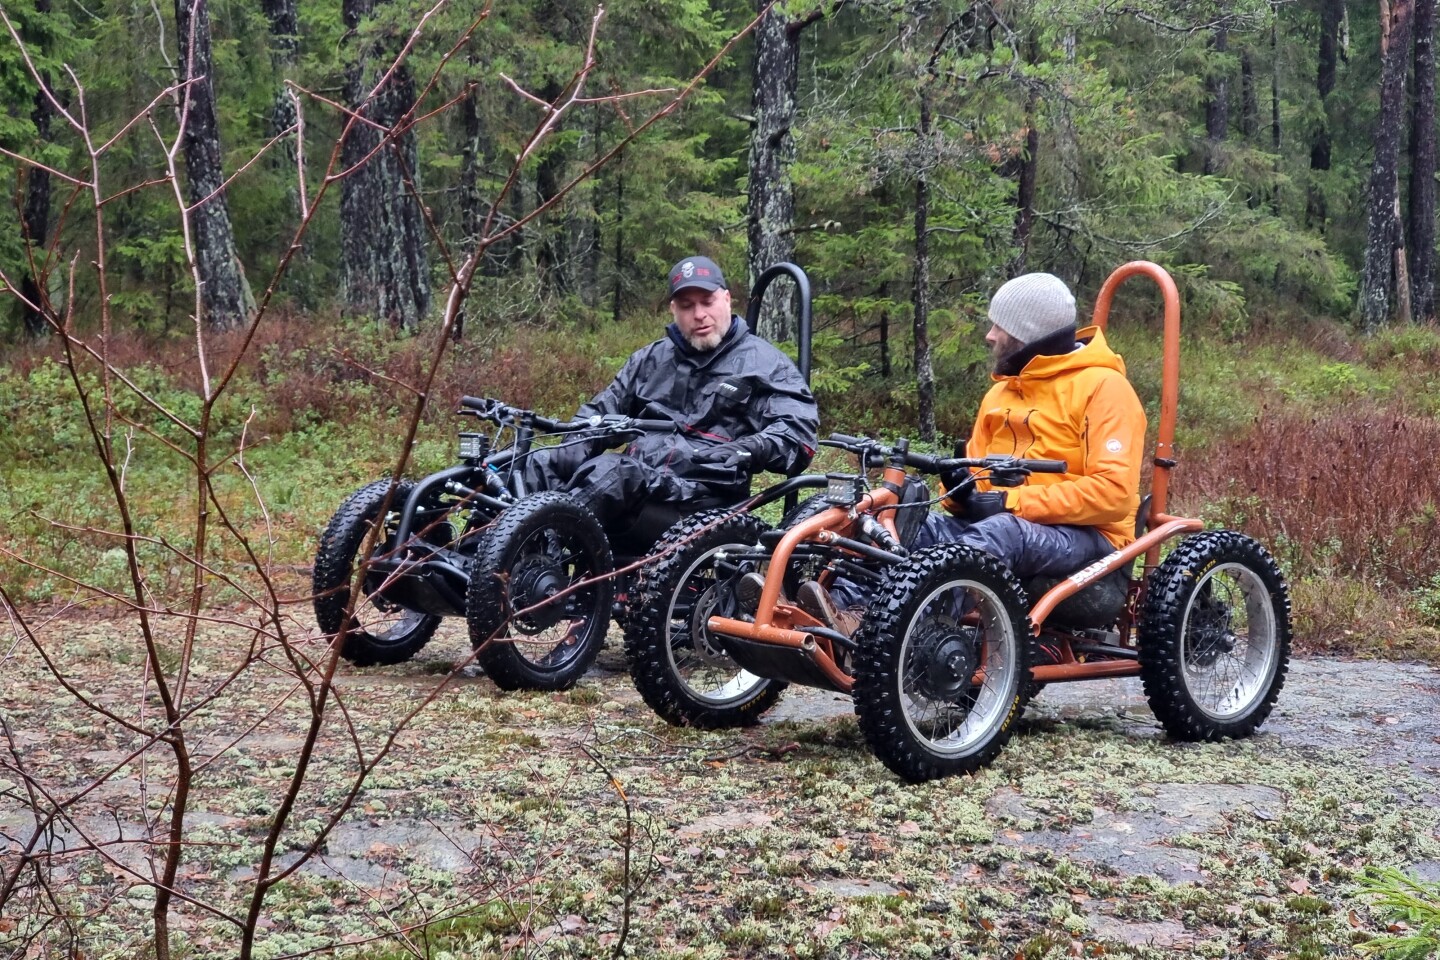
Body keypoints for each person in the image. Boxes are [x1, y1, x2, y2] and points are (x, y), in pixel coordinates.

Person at [797, 272, 1147, 635]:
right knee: (898, 518)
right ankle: (842, 614)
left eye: (1000, 327)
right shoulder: (1001, 393)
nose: (990, 335)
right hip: (1006, 521)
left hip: (1089, 537)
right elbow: (979, 485)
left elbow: (1114, 494)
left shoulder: (1106, 390)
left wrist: (1010, 502)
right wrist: (962, 491)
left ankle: (911, 633)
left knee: (1000, 533)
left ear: (1029, 334)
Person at [520, 255, 819, 532]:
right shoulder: (651, 359)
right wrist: (576, 443)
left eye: (707, 301)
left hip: (702, 496)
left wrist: (748, 448)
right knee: (537, 463)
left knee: (610, 473)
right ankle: (482, 564)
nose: (699, 314)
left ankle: (544, 547)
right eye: (687, 306)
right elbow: (601, 409)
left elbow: (799, 435)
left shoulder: (764, 364)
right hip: (643, 481)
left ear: (727, 300)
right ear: (673, 309)